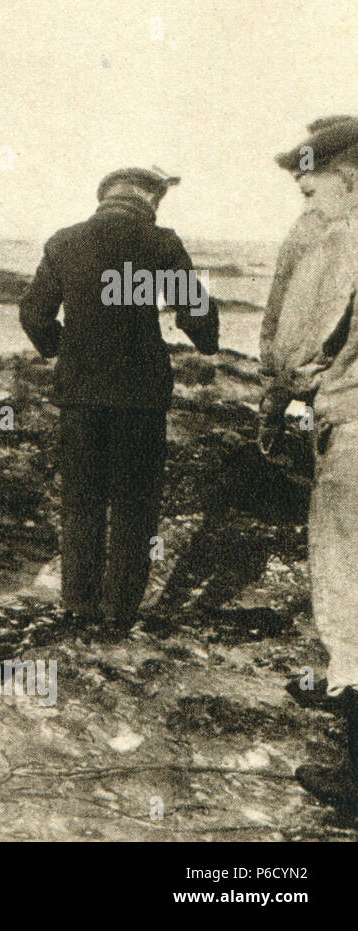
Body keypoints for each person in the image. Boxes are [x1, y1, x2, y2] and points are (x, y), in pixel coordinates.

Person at [19, 167, 219, 632]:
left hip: (80, 391)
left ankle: (77, 605)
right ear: (148, 199)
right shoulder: (161, 242)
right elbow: (195, 309)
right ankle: (120, 612)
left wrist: (60, 348)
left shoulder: (64, 241)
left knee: (81, 499)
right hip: (141, 393)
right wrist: (208, 342)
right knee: (135, 503)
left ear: (105, 197)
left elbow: (33, 312)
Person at [256, 115, 358, 808]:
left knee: (348, 594)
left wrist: (283, 388)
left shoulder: (346, 235)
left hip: (352, 428)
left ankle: (353, 780)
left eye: (311, 192)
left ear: (348, 181)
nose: (310, 208)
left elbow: (303, 342)